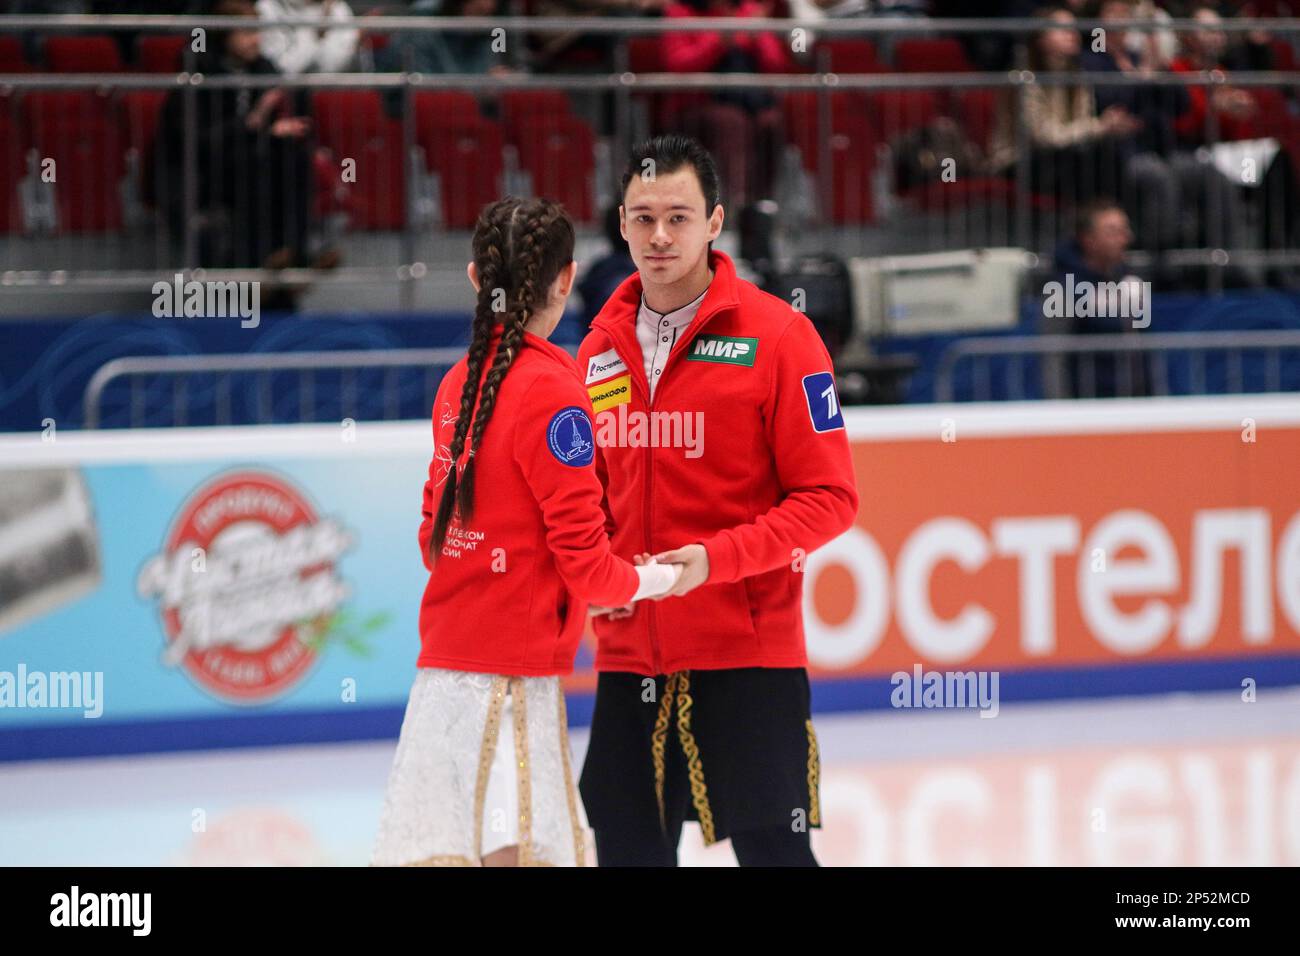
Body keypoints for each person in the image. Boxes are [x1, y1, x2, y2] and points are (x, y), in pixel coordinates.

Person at [371, 197, 684, 868]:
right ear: (566, 281)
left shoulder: (458, 383)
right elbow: (584, 562)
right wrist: (663, 578)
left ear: (478, 280)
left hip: (445, 676)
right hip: (509, 683)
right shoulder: (552, 390)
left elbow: (436, 536)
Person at [576, 135, 860, 866]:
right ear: (620, 223)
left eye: (679, 215)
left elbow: (831, 498)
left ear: (714, 222)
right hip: (630, 659)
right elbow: (591, 497)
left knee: (775, 857)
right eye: (642, 218)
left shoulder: (782, 338)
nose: (660, 236)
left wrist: (716, 560)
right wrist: (596, 575)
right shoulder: (598, 349)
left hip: (746, 657)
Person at [152, 0, 318, 273]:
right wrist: (252, 124)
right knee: (254, 165)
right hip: (201, 172)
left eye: (258, 32)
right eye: (247, 33)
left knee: (295, 158)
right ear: (224, 36)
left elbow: (277, 113)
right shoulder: (197, 75)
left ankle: (295, 255)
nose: (256, 40)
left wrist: (280, 128)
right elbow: (197, 141)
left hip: (248, 159)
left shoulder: (263, 68)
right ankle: (257, 263)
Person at [1051, 199, 1152, 398]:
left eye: (1125, 230)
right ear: (1088, 240)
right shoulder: (1062, 290)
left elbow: (1143, 351)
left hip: (1132, 406)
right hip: (1085, 409)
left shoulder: (1131, 281)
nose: (1125, 238)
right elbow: (1052, 358)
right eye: (1113, 232)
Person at [255, 0, 359, 75]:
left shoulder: (336, 6)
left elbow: (334, 65)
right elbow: (285, 67)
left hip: (328, 91)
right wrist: (316, 35)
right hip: (283, 91)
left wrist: (326, 15)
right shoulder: (268, 6)